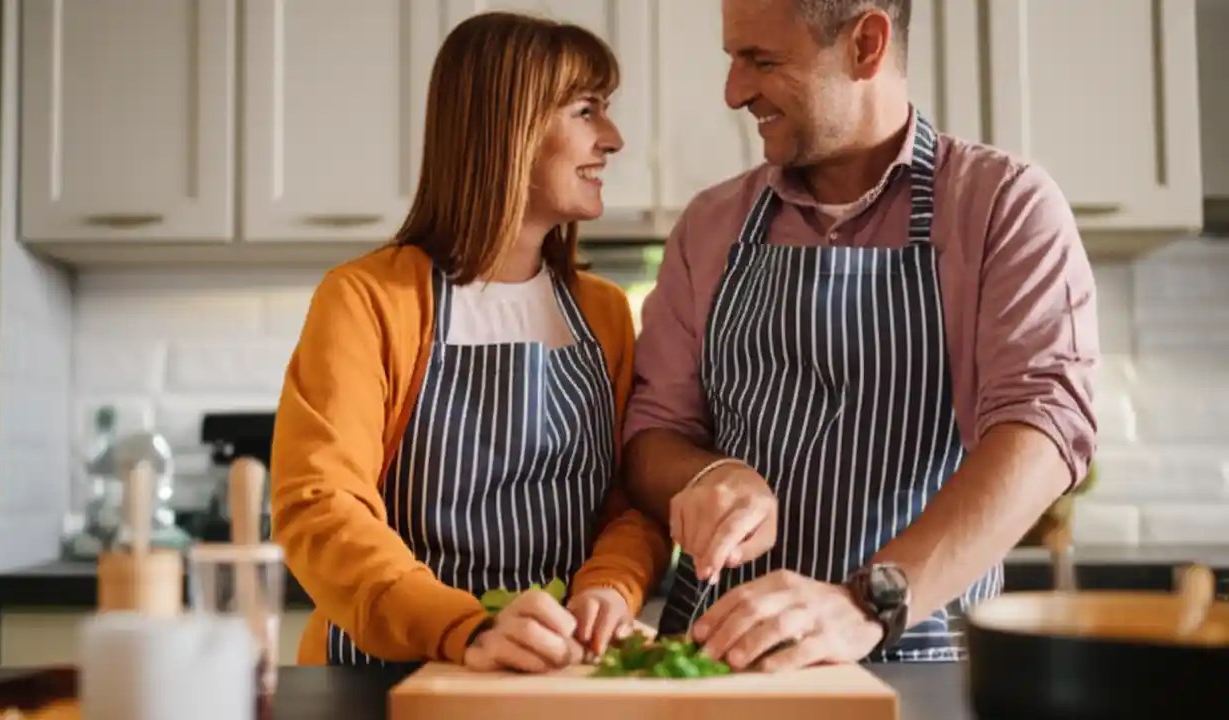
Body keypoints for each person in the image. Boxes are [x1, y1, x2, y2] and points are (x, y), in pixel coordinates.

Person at [623, 0, 1099, 669]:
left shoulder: (1002, 206)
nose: (734, 92)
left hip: (919, 666)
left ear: (866, 44)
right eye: (732, 58)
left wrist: (868, 603)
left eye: (761, 60)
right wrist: (711, 472)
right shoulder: (710, 225)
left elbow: (1043, 428)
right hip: (714, 665)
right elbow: (650, 436)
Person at [269, 11, 671, 677]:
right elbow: (320, 506)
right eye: (586, 110)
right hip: (381, 676)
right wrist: (463, 626)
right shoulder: (367, 300)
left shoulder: (603, 315)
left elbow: (630, 505)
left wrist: (611, 585)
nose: (613, 138)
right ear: (508, 126)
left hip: (557, 669)